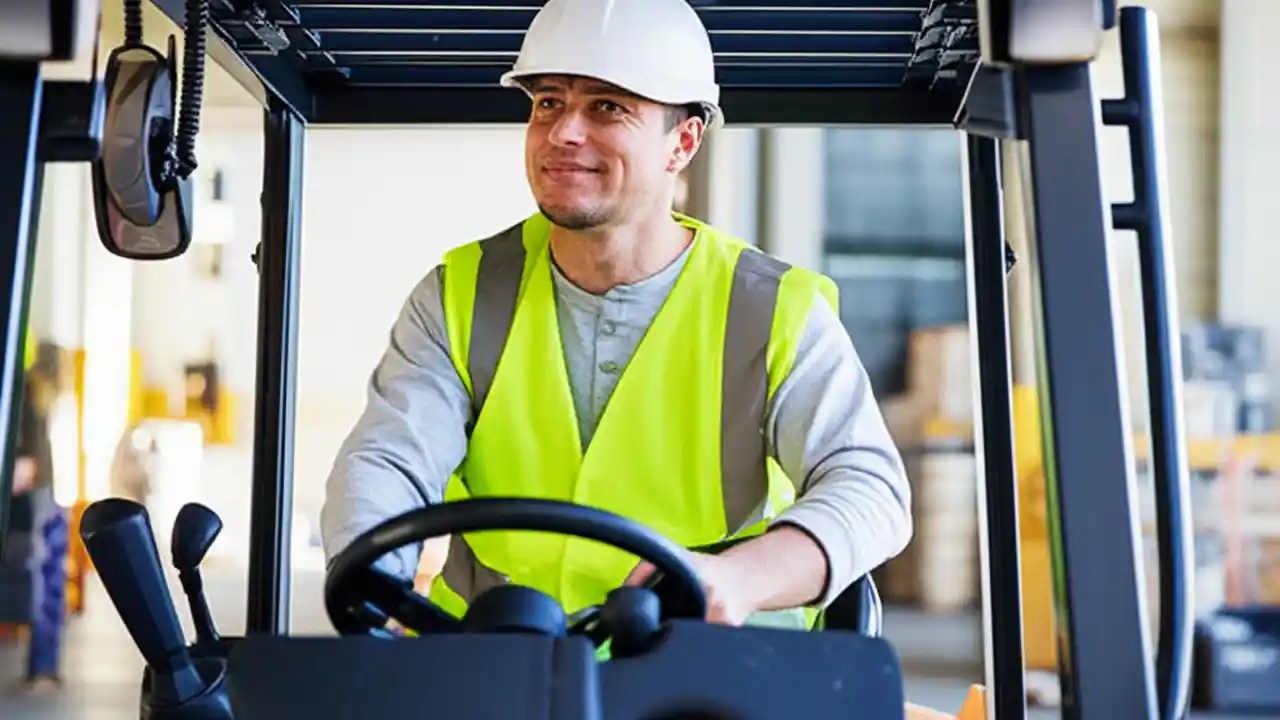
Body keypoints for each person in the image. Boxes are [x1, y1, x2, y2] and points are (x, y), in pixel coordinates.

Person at [320, 0, 912, 632]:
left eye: (607, 106)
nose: (563, 132)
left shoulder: (772, 310)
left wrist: (738, 578)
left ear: (682, 143)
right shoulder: (459, 294)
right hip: (497, 661)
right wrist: (371, 592)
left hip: (706, 666)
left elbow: (870, 489)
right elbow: (388, 461)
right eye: (548, 102)